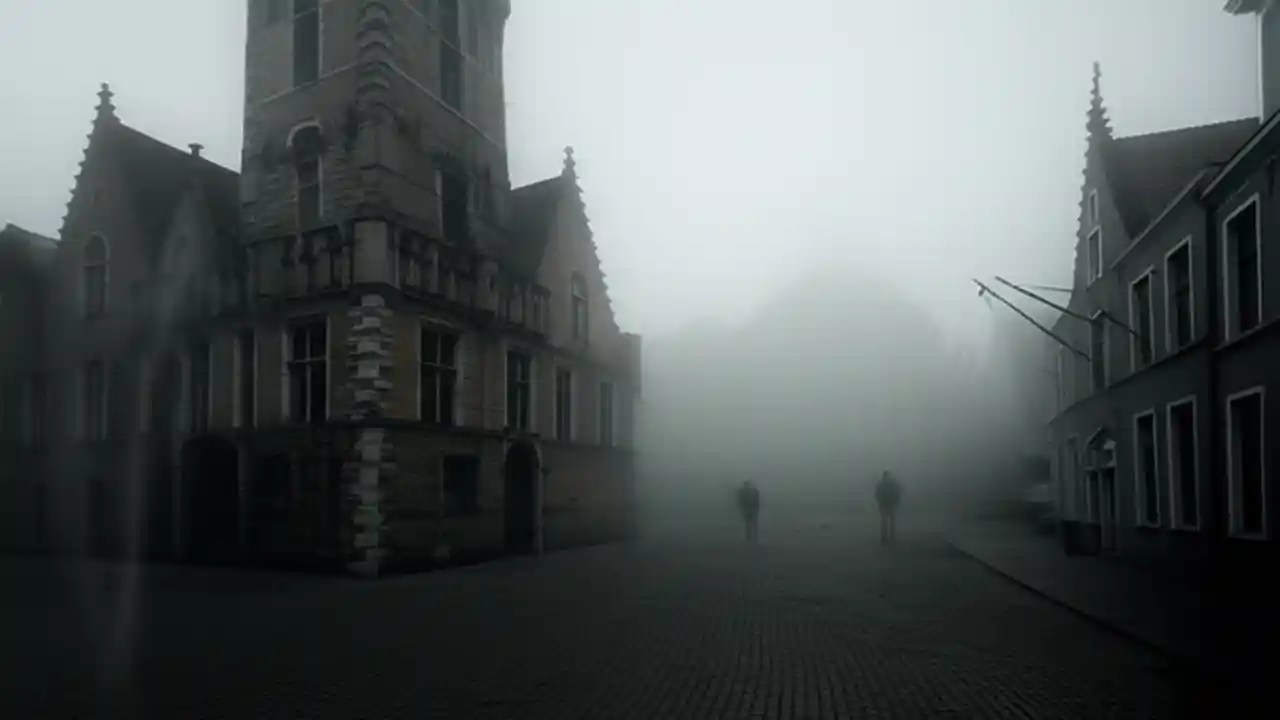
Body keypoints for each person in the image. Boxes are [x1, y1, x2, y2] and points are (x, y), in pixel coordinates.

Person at [875, 470, 902, 544]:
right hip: (889, 504)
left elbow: (877, 494)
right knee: (890, 521)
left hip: (885, 504)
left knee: (885, 522)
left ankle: (885, 538)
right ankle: (891, 537)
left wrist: (879, 502)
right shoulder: (892, 484)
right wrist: (897, 501)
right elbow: (897, 493)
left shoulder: (881, 484)